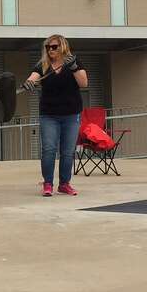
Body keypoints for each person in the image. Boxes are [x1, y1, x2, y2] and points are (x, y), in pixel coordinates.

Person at [24, 34, 88, 197]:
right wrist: (29, 82)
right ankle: (47, 184)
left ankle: (64, 184)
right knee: (49, 149)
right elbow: (33, 76)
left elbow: (84, 83)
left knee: (67, 151)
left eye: (54, 47)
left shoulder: (73, 62)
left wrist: (73, 68)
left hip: (71, 115)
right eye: (48, 47)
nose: (50, 50)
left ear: (63, 47)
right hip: (49, 115)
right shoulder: (43, 65)